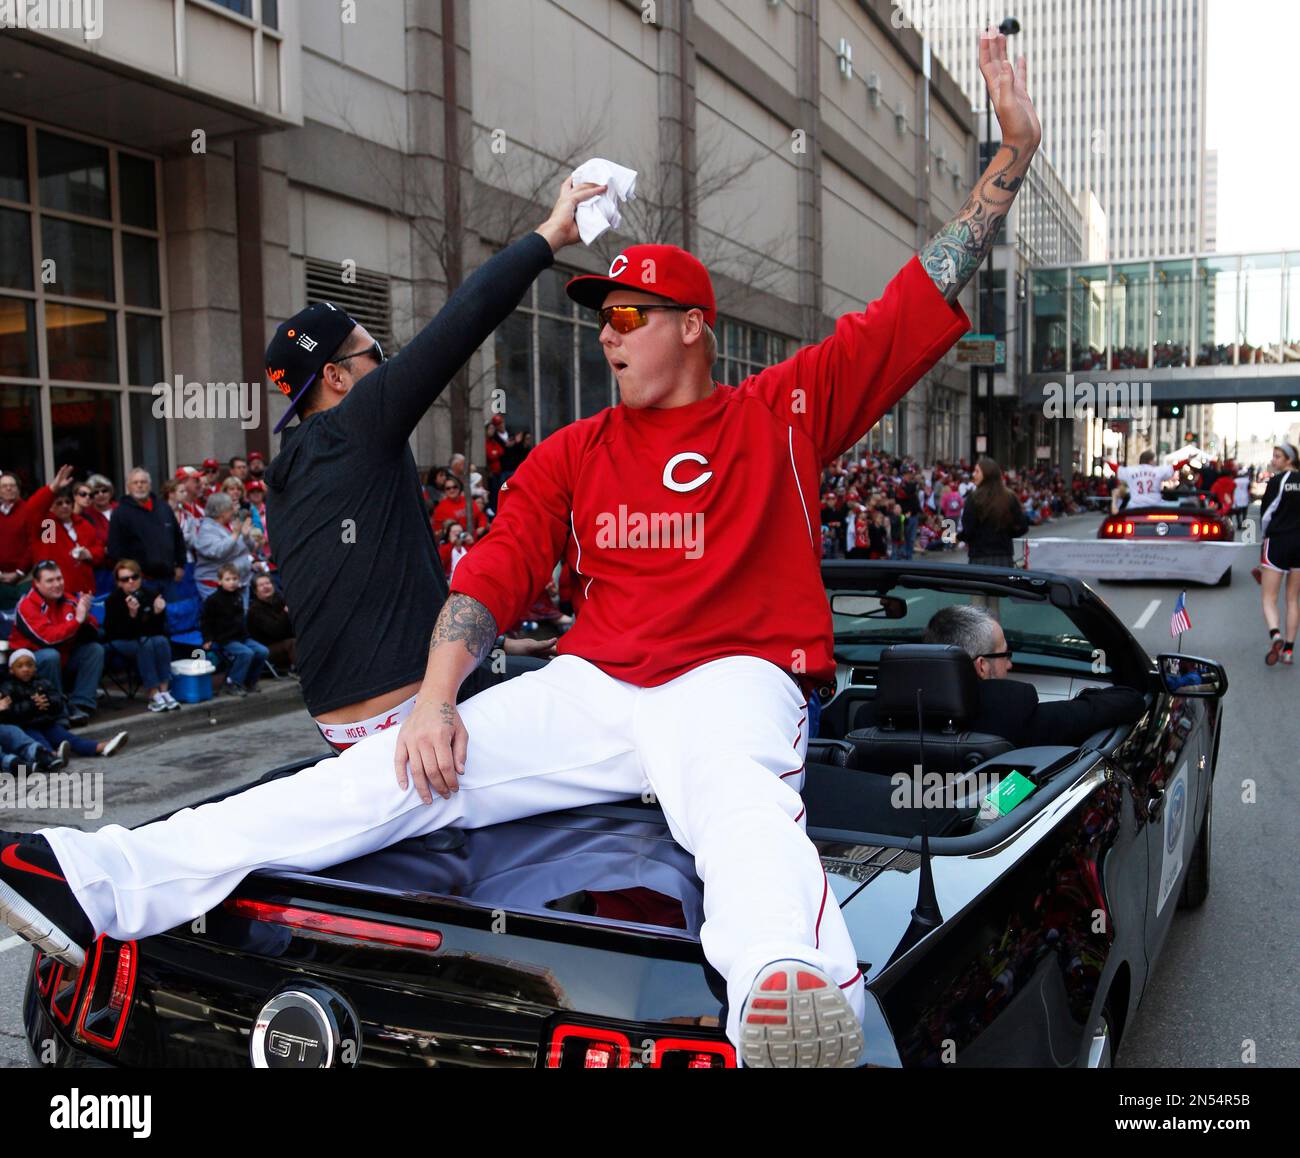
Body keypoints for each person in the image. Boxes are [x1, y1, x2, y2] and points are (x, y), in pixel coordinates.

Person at [0, 34, 1040, 1066]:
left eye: (632, 312)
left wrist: (1009, 159)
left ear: (693, 327)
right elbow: (490, 576)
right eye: (601, 314)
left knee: (738, 802)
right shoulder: (570, 452)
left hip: (731, 676)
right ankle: (98, 877)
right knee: (377, 778)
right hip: (589, 689)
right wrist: (439, 698)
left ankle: (783, 988)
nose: (608, 331)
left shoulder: (783, 411)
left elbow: (923, 292)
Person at [261, 179, 599, 751]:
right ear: (336, 378)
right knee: (595, 708)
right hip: (409, 714)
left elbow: (374, 588)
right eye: (378, 355)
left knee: (532, 675)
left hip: (337, 722)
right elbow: (463, 320)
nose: (388, 366)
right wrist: (550, 235)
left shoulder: (284, 474)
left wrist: (488, 647)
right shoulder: (356, 424)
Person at [861, 605, 1146, 746]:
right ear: (982, 666)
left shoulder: (869, 718)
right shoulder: (1013, 714)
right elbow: (1128, 701)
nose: (1010, 665)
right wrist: (1086, 697)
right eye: (1005, 654)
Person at [8, 561, 104, 725]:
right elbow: (47, 639)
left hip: (64, 657)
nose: (57, 584)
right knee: (50, 655)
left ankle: (81, 705)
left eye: (59, 579)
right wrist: (77, 620)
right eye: (50, 580)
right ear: (37, 583)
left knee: (94, 650)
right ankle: (58, 710)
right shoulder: (27, 605)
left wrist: (85, 617)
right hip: (31, 665)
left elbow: (95, 630)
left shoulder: (68, 599)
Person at [0, 648, 127, 759]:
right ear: (11, 670)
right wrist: (33, 705)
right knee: (39, 741)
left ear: (35, 667)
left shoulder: (43, 683)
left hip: (46, 722)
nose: (25, 669)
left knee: (68, 738)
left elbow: (58, 701)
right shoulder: (8, 687)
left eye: (29, 665)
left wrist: (47, 702)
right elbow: (9, 713)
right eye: (20, 666)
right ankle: (51, 756)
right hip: (27, 726)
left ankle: (100, 747)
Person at [102, 558, 180, 712]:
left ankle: (164, 690)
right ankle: (153, 693)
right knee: (146, 643)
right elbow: (116, 632)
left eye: (134, 577)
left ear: (140, 577)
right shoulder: (113, 601)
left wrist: (158, 614)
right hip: (120, 640)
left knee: (161, 641)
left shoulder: (150, 594)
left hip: (145, 639)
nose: (131, 582)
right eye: (125, 579)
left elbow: (159, 630)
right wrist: (132, 615)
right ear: (119, 582)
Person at [106, 467, 187, 597]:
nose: (140, 485)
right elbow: (115, 549)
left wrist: (180, 565)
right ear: (128, 486)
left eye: (143, 482)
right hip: (140, 581)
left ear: (149, 485)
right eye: (135, 482)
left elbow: (178, 538)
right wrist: (130, 576)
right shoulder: (120, 513)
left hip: (168, 580)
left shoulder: (164, 508)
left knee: (171, 615)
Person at [24, 465, 102, 598]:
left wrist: (89, 553)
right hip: (54, 594)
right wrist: (52, 489)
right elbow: (32, 510)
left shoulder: (83, 524)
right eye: (59, 503)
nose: (64, 506)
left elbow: (99, 550)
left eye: (67, 502)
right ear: (51, 507)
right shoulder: (48, 524)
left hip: (83, 591)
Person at [1256, 441, 1300, 666]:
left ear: (1289, 460)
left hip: (1277, 542)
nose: (1273, 460)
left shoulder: (1277, 481)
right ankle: (1289, 651)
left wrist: (1264, 539)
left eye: (1277, 456)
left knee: (1268, 598)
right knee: (1293, 599)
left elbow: (1266, 514)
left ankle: (1276, 635)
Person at [200, 563, 270, 697]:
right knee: (246, 653)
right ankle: (232, 682)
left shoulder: (238, 596)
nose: (232, 582)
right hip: (225, 638)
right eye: (228, 579)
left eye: (234, 579)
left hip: (241, 637)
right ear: (219, 581)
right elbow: (205, 621)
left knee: (262, 651)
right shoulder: (213, 600)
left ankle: (250, 681)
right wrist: (207, 638)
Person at [959, 457, 1029, 567]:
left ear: (987, 474)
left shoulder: (973, 499)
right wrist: (1006, 535)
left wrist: (959, 537)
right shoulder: (1010, 497)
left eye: (977, 471)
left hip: (979, 558)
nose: (973, 475)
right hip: (1004, 558)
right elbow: (1023, 526)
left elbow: (968, 530)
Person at [193, 492, 260, 602]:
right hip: (215, 586)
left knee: (242, 617)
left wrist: (247, 536)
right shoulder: (206, 529)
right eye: (230, 508)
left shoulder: (232, 523)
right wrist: (235, 535)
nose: (234, 511)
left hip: (240, 583)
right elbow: (217, 551)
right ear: (221, 512)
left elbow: (251, 548)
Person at [248, 572, 295, 673]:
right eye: (261, 585)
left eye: (268, 583)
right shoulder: (254, 610)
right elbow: (275, 631)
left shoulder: (280, 599)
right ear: (255, 591)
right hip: (267, 648)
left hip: (284, 641)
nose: (266, 587)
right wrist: (285, 613)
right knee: (292, 643)